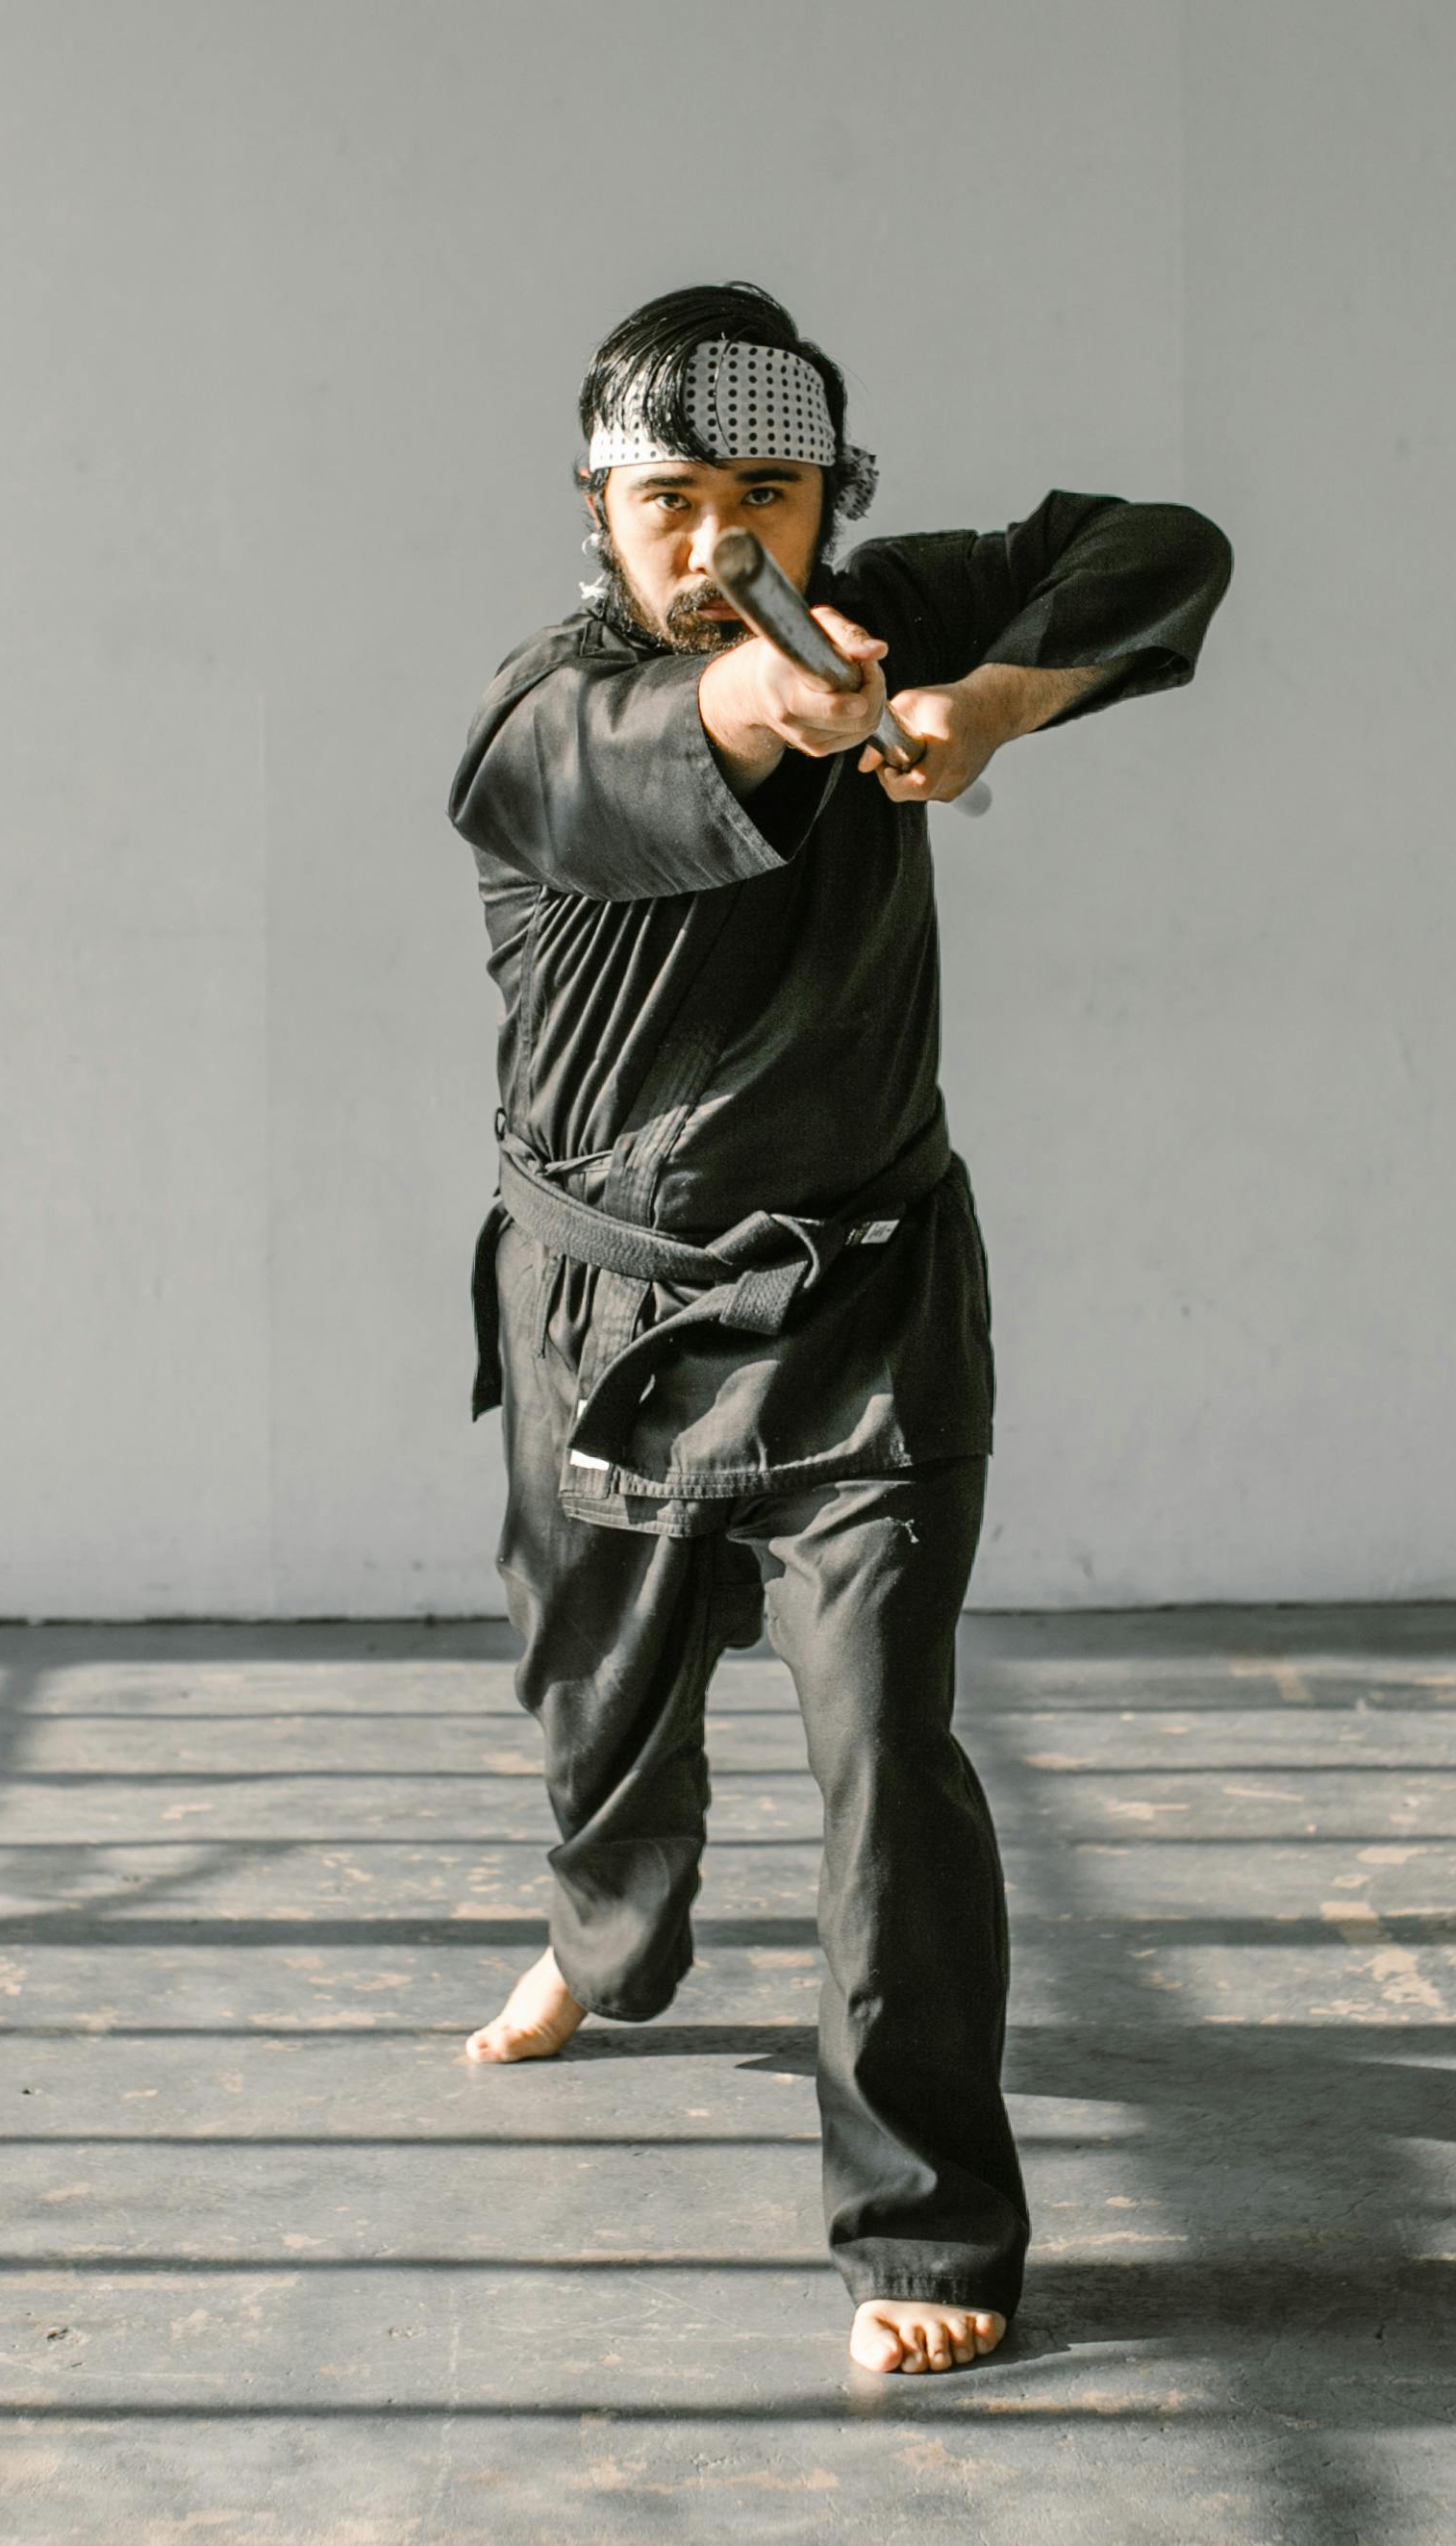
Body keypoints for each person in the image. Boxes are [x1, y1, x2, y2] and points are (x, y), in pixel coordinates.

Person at [444, 281, 1232, 2376]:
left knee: (887, 1747)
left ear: (829, 496)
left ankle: (923, 2224)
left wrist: (998, 705)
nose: (719, 547)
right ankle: (604, 1941)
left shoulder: (887, 606)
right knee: (595, 1700)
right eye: (668, 501)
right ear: (597, 511)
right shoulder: (544, 714)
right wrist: (784, 710)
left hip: (863, 1305)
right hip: (595, 1304)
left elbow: (1157, 544)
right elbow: (649, 753)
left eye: (766, 496)